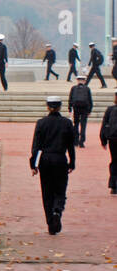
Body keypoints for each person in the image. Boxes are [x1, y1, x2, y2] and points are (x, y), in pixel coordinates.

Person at [30, 96, 76, 235]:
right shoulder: (67, 123)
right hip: (60, 158)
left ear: (47, 107)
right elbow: (70, 145)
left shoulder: (41, 123)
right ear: (60, 107)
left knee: (47, 191)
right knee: (60, 189)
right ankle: (57, 210)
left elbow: (36, 146)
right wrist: (72, 162)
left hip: (45, 159)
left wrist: (33, 164)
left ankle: (50, 222)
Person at [100, 92, 117, 194]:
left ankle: (113, 185)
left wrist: (103, 140)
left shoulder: (110, 109)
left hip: (113, 139)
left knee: (114, 160)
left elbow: (104, 124)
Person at [69, 80, 93, 147]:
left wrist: (70, 108)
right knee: (83, 125)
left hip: (76, 108)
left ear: (77, 80)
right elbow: (90, 100)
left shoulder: (73, 88)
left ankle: (75, 141)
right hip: (84, 108)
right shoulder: (87, 88)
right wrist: (90, 110)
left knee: (76, 124)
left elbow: (70, 98)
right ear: (84, 81)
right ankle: (81, 141)